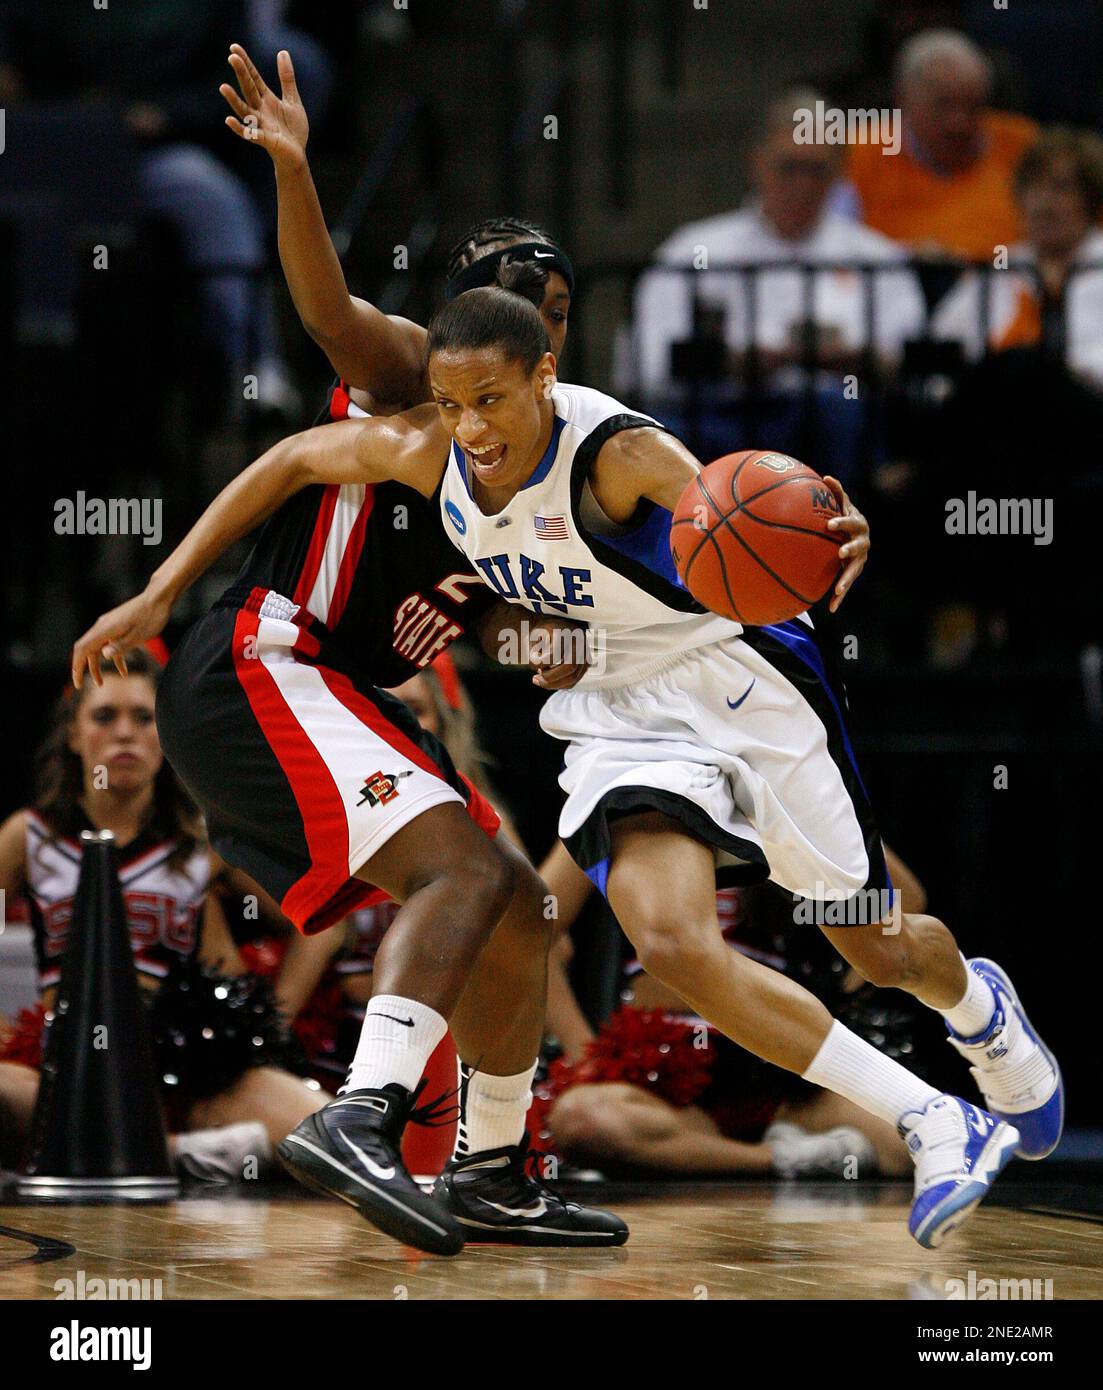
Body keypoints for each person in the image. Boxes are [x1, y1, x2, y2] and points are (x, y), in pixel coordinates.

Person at [74, 273, 1060, 1250]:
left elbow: (737, 499)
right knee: (670, 942)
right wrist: (162, 590)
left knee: (875, 947)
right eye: (452, 402)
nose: (470, 427)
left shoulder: (619, 452)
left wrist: (831, 519)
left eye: (490, 400)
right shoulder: (433, 452)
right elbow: (293, 457)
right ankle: (934, 1116)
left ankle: (980, 1011)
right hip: (622, 709)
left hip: (740, 682)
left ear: (544, 375)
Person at [0, 648, 326, 1181]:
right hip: (63, 1071)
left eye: (145, 718)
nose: (124, 733)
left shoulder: (205, 840)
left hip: (181, 1073)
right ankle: (180, 1155)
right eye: (105, 717)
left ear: (167, 736)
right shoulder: (30, 836)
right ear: (74, 736)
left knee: (321, 1128)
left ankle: (158, 1150)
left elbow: (318, 923)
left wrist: (273, 1023)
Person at [538, 846, 939, 1180]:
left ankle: (728, 1152)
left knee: (916, 1140)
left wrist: (842, 996)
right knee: (584, 1119)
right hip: (667, 1081)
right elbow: (535, 926)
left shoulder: (777, 794)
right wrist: (585, 1056)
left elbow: (903, 901)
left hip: (780, 1063)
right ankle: (783, 1159)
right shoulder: (617, 792)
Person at [630, 89, 925, 483]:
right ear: (758, 163)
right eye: (789, 167)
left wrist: (843, 359)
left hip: (830, 415)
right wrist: (735, 363)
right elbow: (647, 368)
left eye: (816, 170)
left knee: (837, 408)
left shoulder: (877, 258)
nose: (802, 185)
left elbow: (909, 365)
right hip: (720, 413)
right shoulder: (692, 251)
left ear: (838, 173)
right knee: (663, 433)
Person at [836, 29, 1039, 261]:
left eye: (971, 107)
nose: (958, 123)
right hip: (891, 289)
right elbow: (830, 241)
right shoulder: (858, 151)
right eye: (943, 106)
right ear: (903, 100)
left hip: (1006, 288)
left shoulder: (1025, 147)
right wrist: (907, 257)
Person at [932, 126, 1103, 388]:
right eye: (1035, 188)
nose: (1045, 204)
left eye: (1062, 189)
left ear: (1090, 200)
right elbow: (943, 344)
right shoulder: (1001, 266)